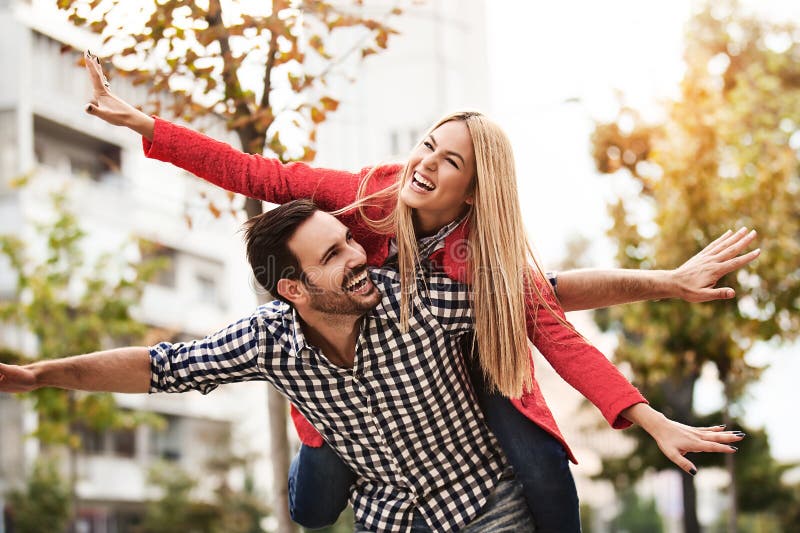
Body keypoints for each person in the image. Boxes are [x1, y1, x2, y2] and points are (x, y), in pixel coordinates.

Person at [82, 51, 759, 531]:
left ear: (475, 187)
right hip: (346, 386)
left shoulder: (484, 261)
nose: (426, 165)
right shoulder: (369, 193)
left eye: (450, 161)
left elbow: (556, 326)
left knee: (544, 463)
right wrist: (146, 127)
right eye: (428, 147)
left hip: (445, 377)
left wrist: (646, 415)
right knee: (313, 509)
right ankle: (320, 440)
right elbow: (257, 174)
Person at [0, 201, 745, 532]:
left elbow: (545, 297)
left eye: (348, 242)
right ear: (292, 289)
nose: (357, 255)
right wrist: (38, 376)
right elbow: (154, 366)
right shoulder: (267, 338)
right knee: (309, 501)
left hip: (487, 507)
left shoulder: (415, 299)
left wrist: (667, 278)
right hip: (389, 519)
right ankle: (314, 434)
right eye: (332, 255)